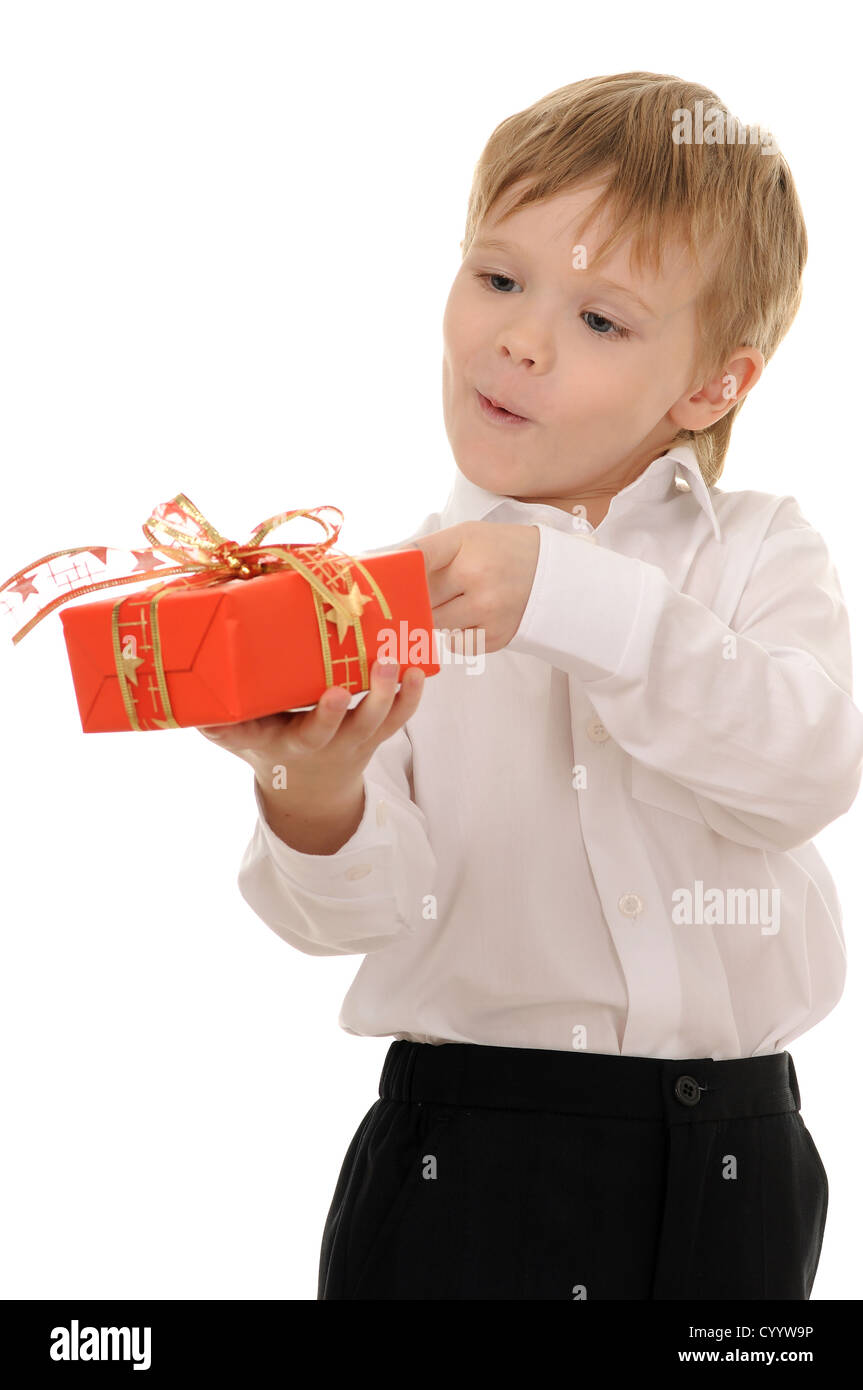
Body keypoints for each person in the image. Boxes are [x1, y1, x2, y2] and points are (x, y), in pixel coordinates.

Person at [198, 72, 863, 1300]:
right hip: (472, 1153)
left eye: (600, 320)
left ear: (711, 386)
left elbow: (806, 769)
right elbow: (344, 913)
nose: (519, 338)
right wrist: (312, 789)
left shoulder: (761, 551)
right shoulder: (381, 601)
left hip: (740, 1159)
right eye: (497, 278)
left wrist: (565, 599)